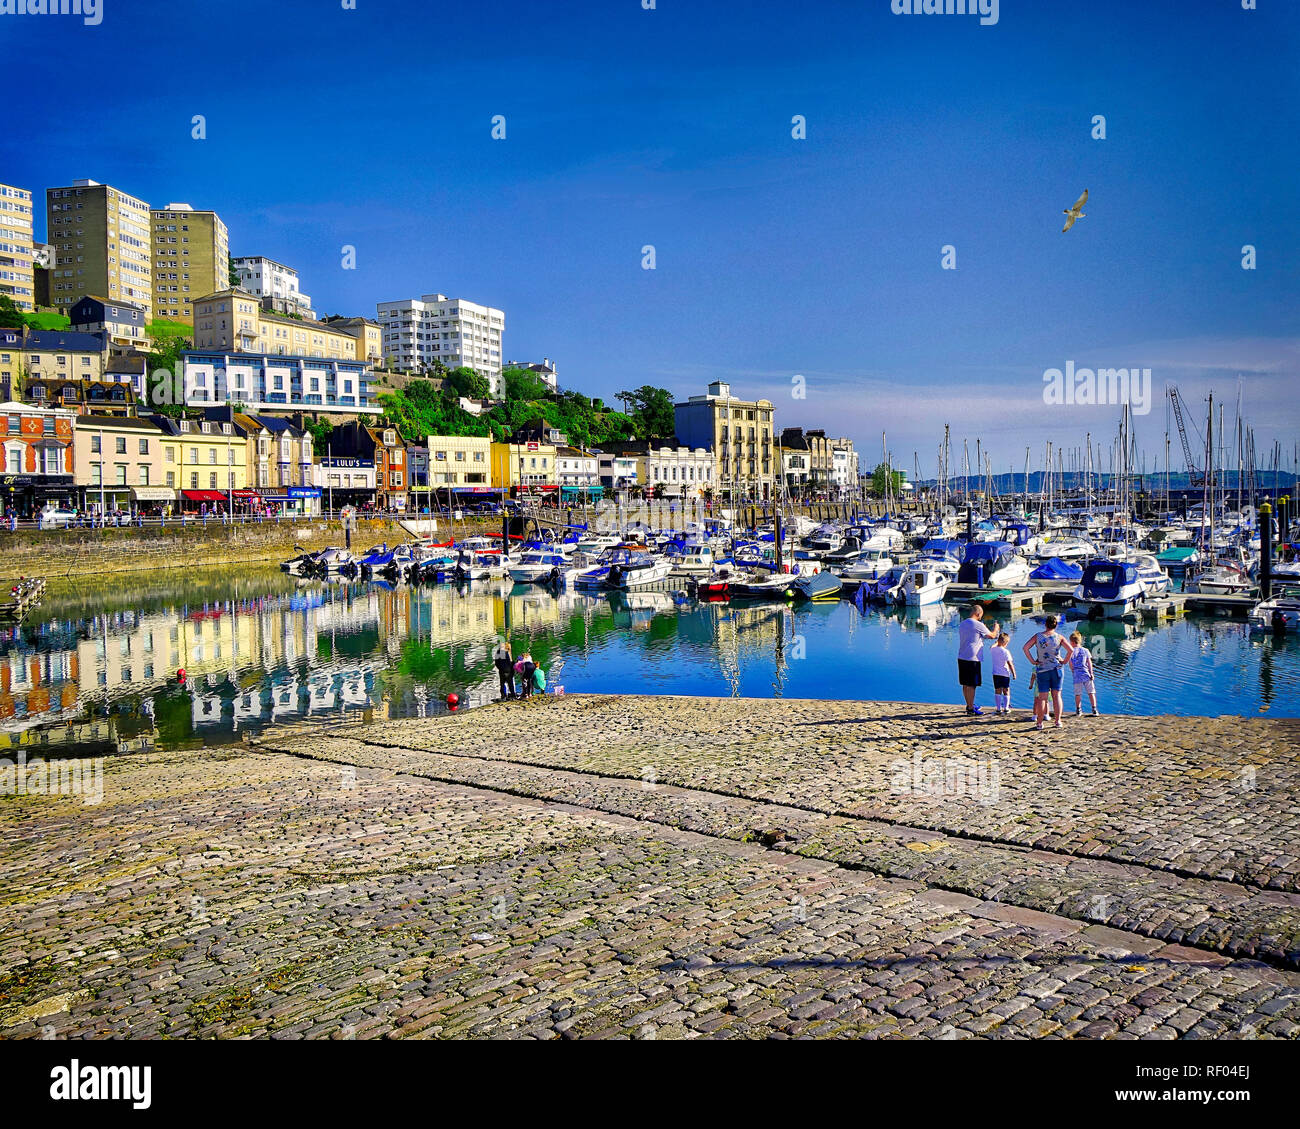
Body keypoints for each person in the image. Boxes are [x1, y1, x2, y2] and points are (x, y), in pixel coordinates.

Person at [1022, 615, 1076, 731]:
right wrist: (1064, 661)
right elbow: (1071, 650)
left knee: (1042, 698)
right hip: (1057, 669)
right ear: (1056, 625)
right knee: (1057, 697)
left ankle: (1040, 724)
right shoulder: (1059, 637)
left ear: (1045, 624)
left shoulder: (1038, 636)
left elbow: (1025, 648)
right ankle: (1058, 721)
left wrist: (1033, 661)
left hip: (1042, 670)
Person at [957, 605, 1000, 716]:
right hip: (973, 658)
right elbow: (992, 636)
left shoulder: (963, 623)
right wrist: (996, 628)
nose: (981, 617)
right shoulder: (978, 624)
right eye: (981, 615)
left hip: (962, 656)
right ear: (978, 614)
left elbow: (975, 636)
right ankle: (971, 709)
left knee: (965, 683)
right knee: (972, 684)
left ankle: (969, 704)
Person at [1067, 632, 1099, 715]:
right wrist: (1091, 673)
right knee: (1091, 692)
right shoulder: (1085, 650)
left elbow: (1070, 663)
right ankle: (1094, 709)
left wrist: (1073, 671)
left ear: (1072, 642)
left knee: (1078, 694)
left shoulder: (1070, 651)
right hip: (1086, 673)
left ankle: (1078, 710)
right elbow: (1089, 663)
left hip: (1077, 675)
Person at [990, 632, 1016, 715]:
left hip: (996, 673)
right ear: (1006, 643)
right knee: (1006, 690)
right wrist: (1014, 673)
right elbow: (1010, 664)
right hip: (1005, 673)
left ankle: (998, 708)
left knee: (997, 690)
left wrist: (996, 642)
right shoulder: (1006, 651)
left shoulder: (993, 649)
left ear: (998, 641)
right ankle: (1006, 708)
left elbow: (992, 646)